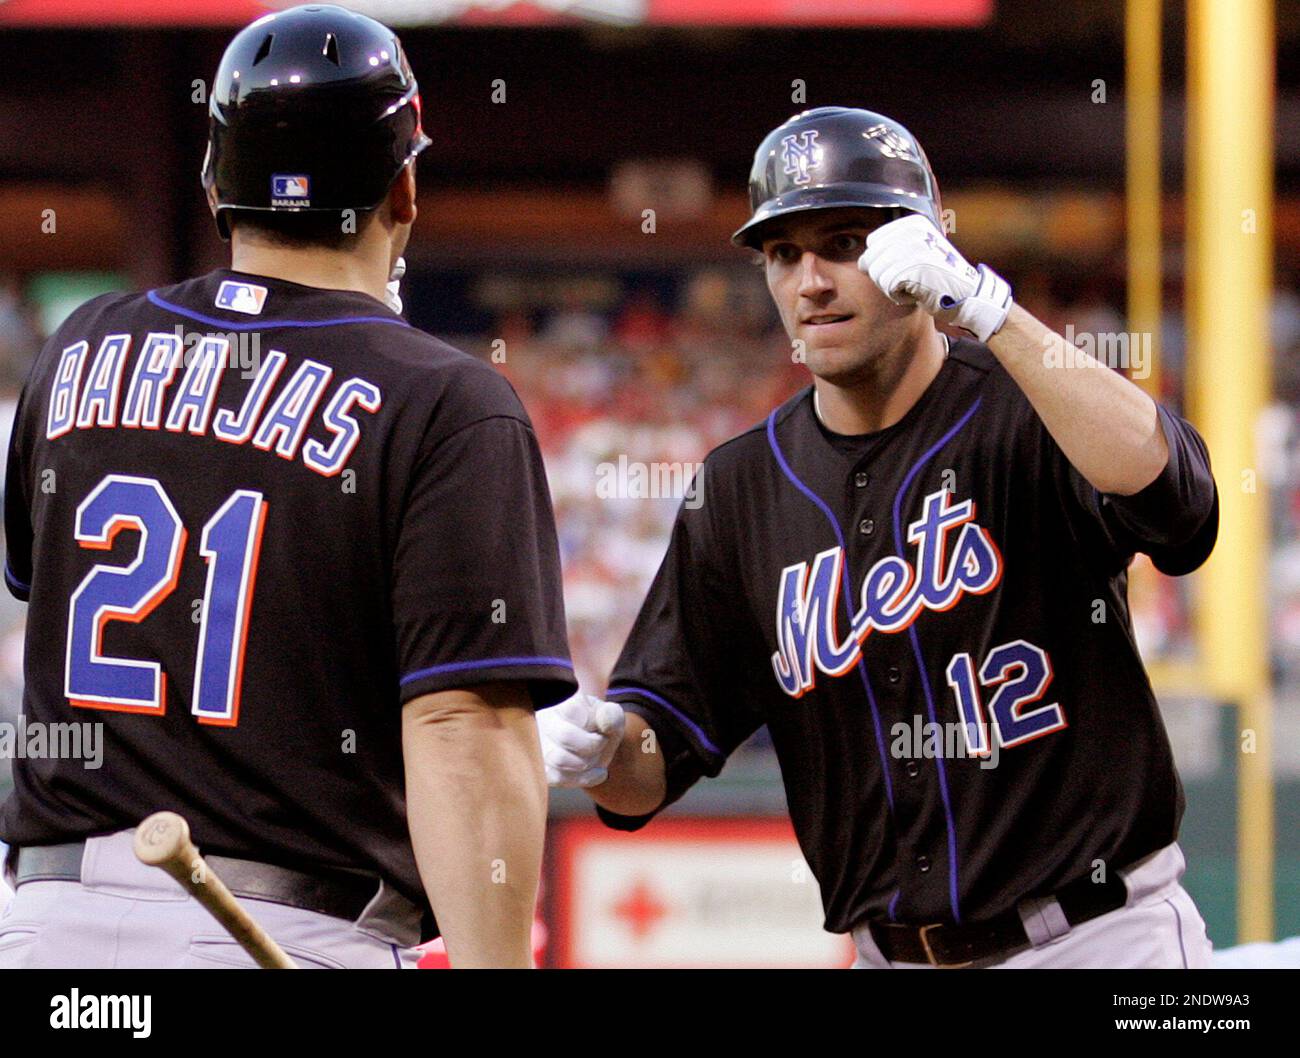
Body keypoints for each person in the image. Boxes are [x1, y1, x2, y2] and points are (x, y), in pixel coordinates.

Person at [539, 107, 1218, 969]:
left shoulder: (1031, 408)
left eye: (846, 242)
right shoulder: (740, 490)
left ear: (919, 251)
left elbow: (1182, 505)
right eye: (784, 254)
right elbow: (652, 762)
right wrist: (601, 749)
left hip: (1102, 938)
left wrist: (990, 312)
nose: (811, 281)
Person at [0, 4, 575, 969]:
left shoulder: (79, 345)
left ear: (215, 183)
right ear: (405, 186)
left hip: (43, 928)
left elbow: (43, 591)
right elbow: (460, 728)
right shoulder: (445, 398)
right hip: (275, 930)